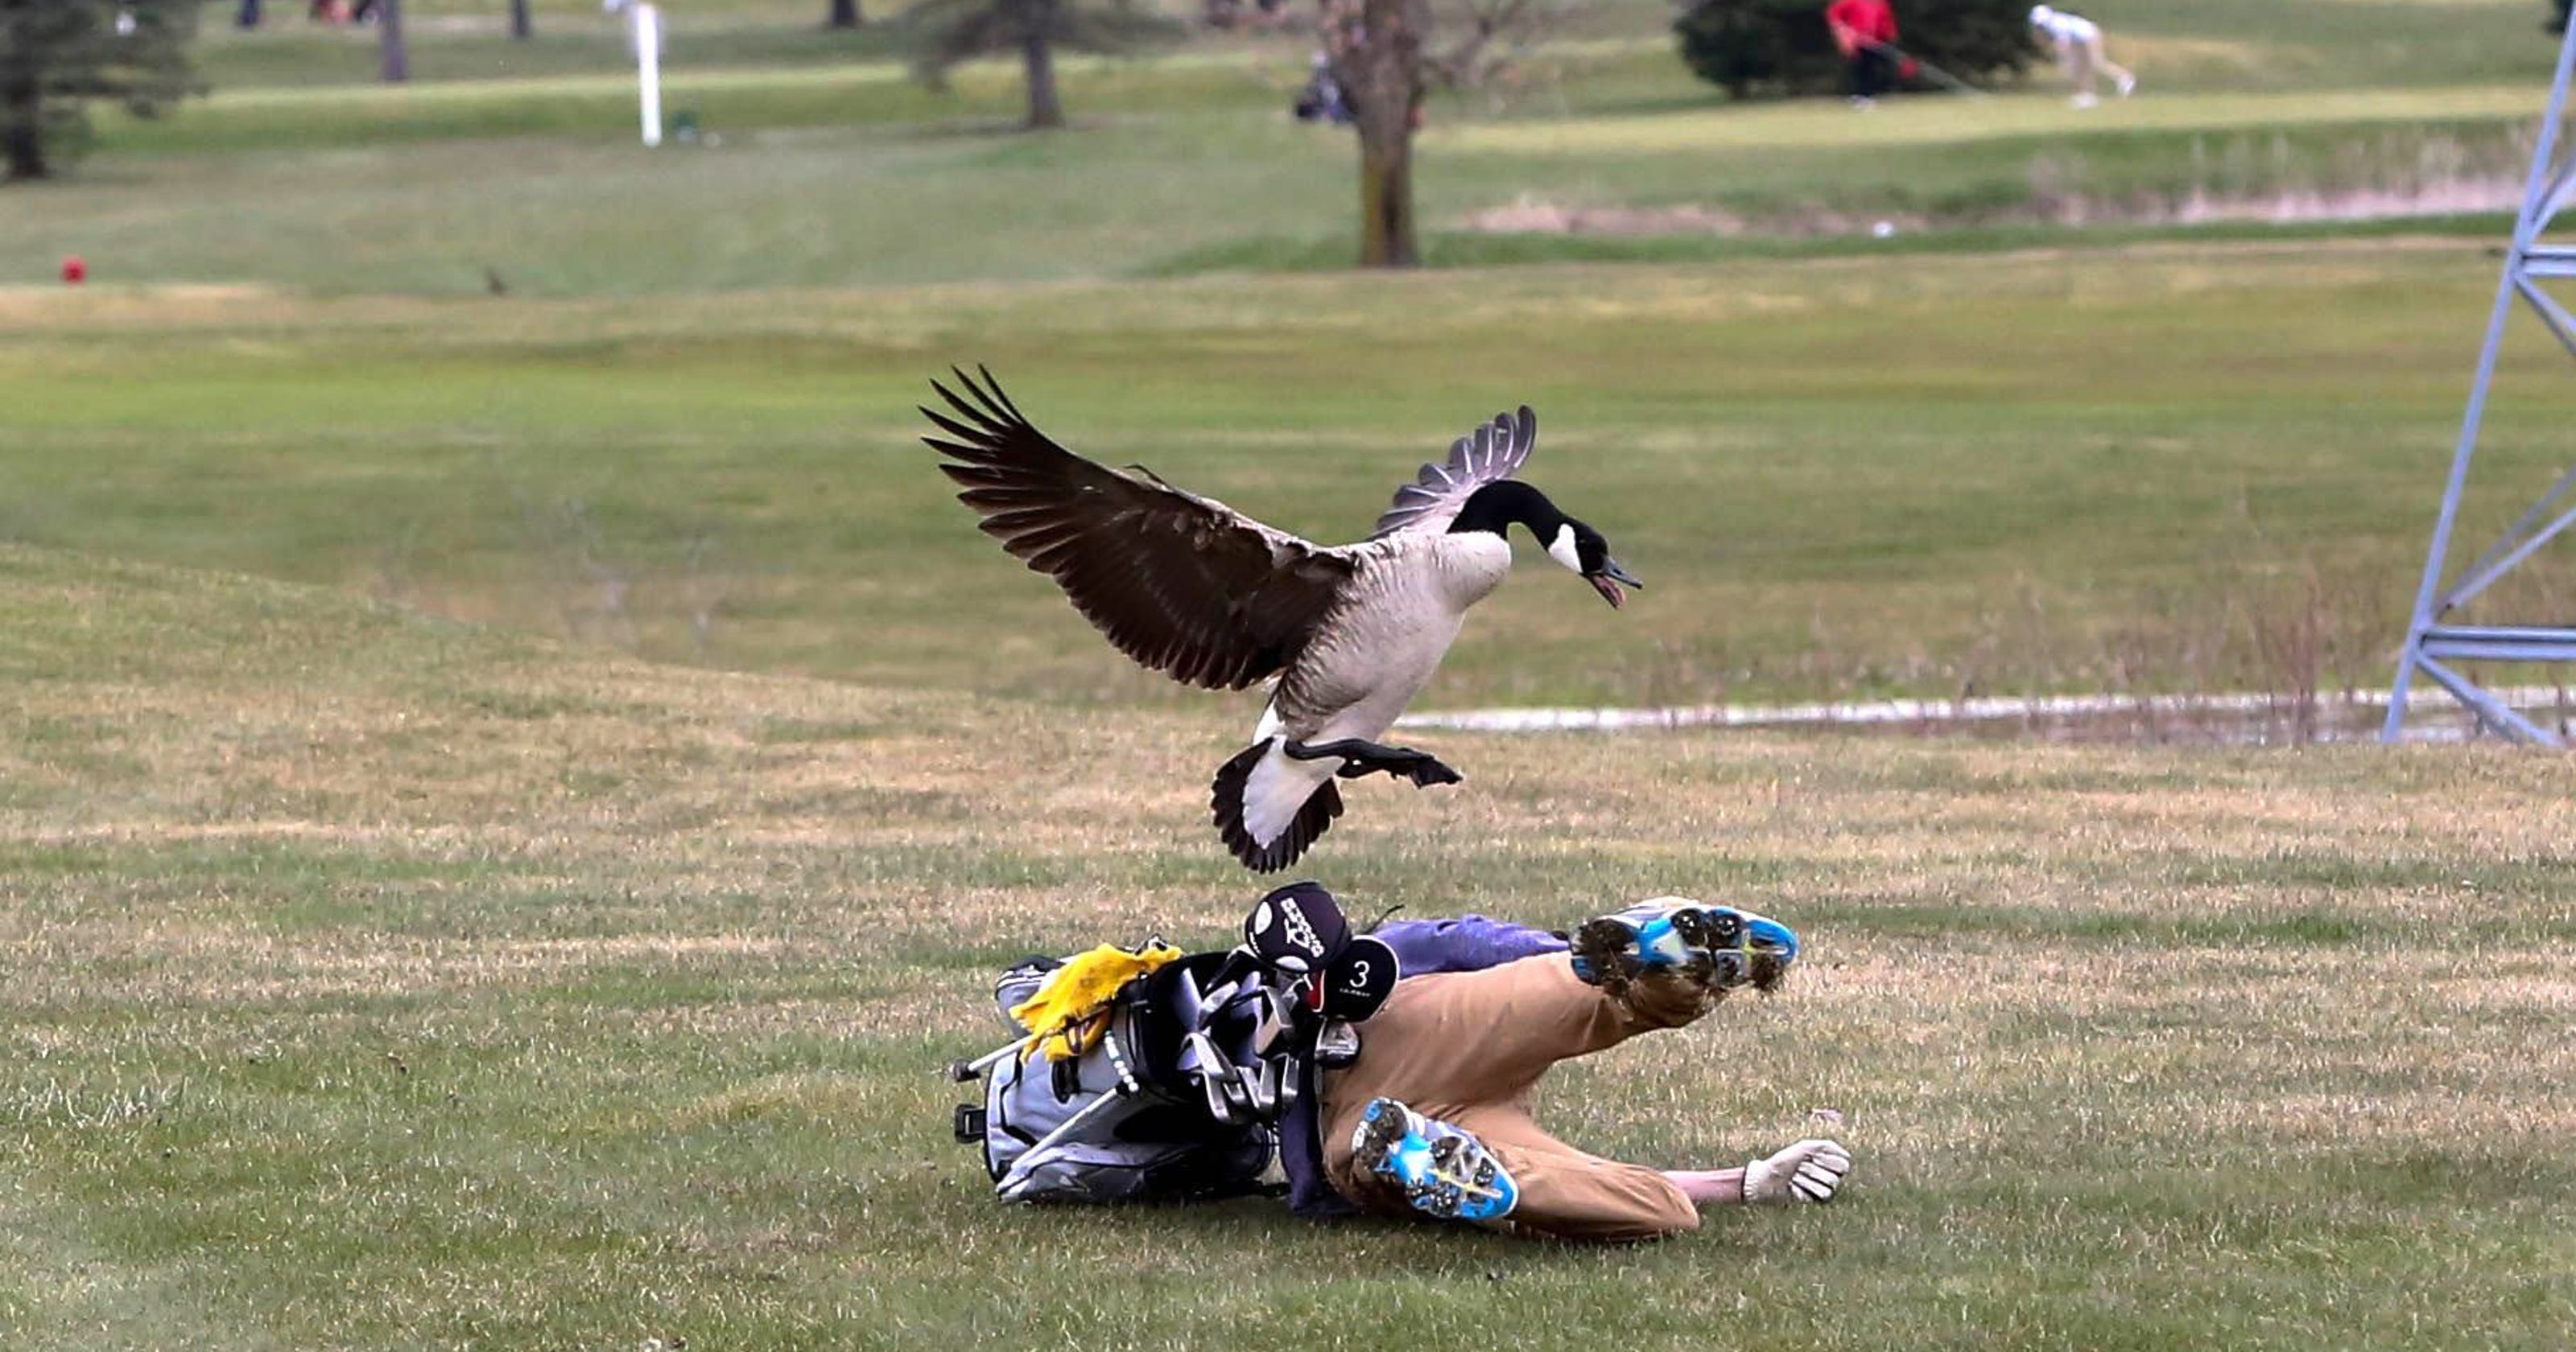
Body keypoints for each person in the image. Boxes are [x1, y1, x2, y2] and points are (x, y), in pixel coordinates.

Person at [1285, 897, 1853, 1241]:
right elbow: (1454, 939)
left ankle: (1655, 965)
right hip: (1387, 1085)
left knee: (1665, 1208)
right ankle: (1655, 973)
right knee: (1657, 1206)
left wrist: (1751, 1181)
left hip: (1396, 1076)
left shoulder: (1347, 968)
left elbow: (1444, 939)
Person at [2029, 5, 2136, 109]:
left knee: (2095, 62)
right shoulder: (2049, 24)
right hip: (2078, 38)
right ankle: (2086, 96)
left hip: (2089, 35)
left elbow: (2064, 44)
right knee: (2079, 67)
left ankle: (2125, 78)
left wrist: (2064, 60)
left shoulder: (2056, 23)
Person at [1825, 0, 1901, 109]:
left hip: (1875, 42)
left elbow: (1886, 21)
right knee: (1860, 68)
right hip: (1857, 42)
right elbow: (1834, 13)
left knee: (1871, 68)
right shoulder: (1851, 1)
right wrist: (1843, 30)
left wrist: (1889, 36)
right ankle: (1861, 96)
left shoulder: (1880, 3)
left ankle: (1866, 95)